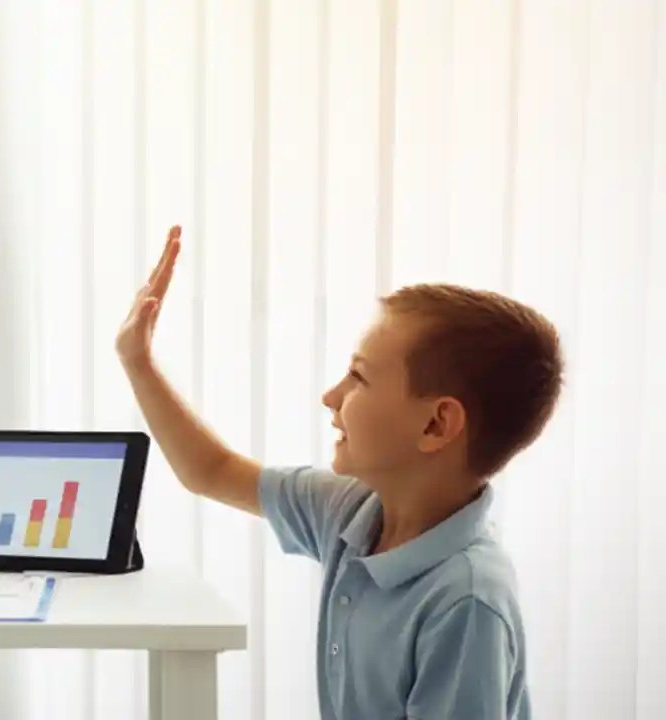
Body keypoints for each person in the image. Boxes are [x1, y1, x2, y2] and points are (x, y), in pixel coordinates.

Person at [117, 227, 562, 719]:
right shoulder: (351, 510)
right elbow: (212, 471)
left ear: (437, 424)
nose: (332, 396)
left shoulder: (467, 603)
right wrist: (138, 362)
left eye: (360, 377)